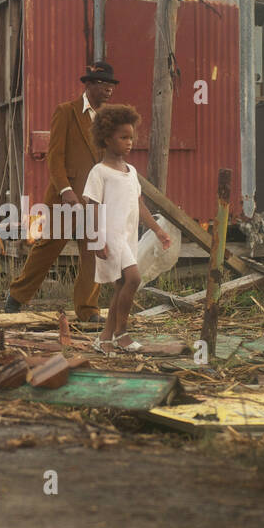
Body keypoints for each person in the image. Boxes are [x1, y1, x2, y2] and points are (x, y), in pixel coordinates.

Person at [4, 61, 116, 322]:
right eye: (102, 84)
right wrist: (65, 189)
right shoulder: (66, 112)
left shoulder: (110, 118)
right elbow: (55, 157)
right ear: (88, 85)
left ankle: (87, 310)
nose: (109, 90)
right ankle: (16, 297)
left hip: (95, 200)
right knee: (47, 249)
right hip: (64, 197)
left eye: (111, 85)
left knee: (92, 254)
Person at [82, 105, 171, 354]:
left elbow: (139, 204)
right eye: (123, 137)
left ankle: (105, 338)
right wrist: (96, 239)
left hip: (128, 236)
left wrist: (157, 230)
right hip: (110, 237)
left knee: (122, 286)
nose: (129, 142)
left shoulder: (131, 172)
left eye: (131, 137)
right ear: (107, 138)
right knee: (134, 279)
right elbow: (92, 207)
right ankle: (122, 333)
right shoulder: (99, 172)